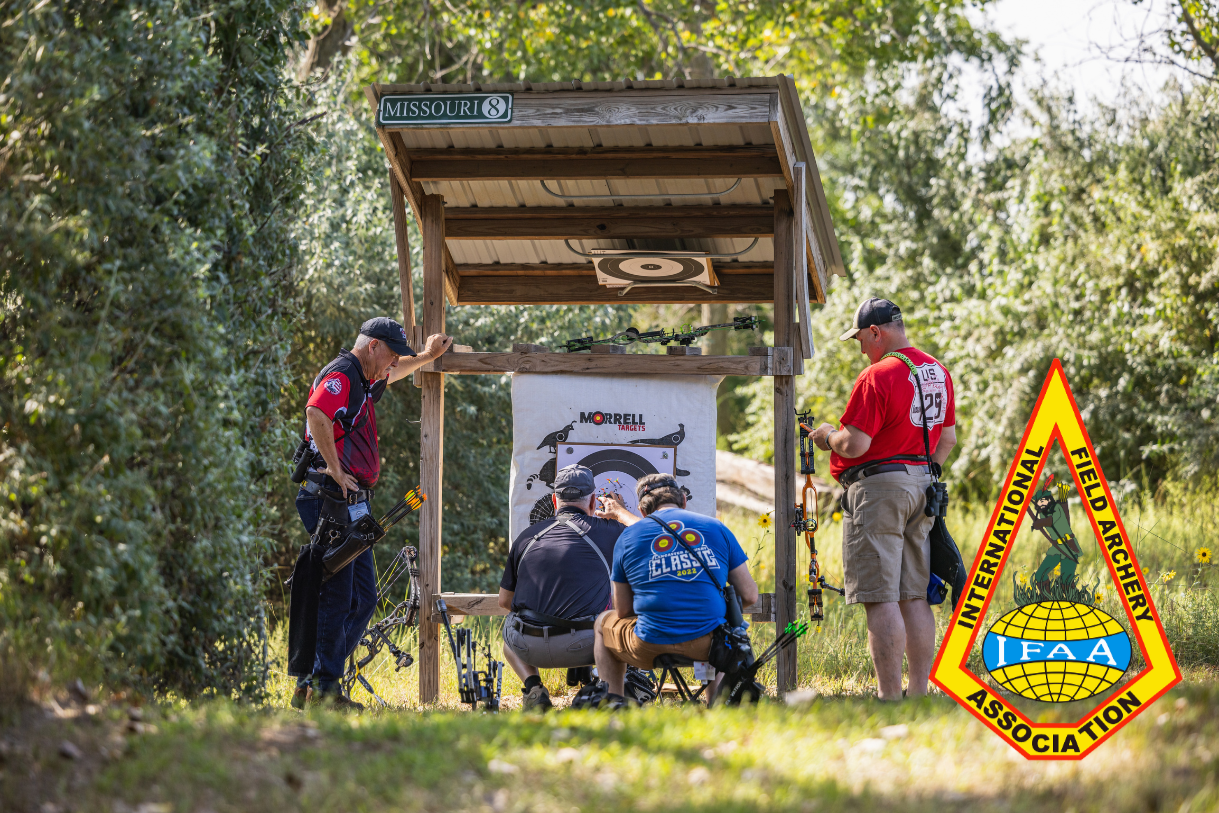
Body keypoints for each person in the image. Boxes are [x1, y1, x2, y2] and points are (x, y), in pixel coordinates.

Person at [292, 317, 452, 709]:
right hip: (330, 499)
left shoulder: (363, 379)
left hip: (350, 504)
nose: (393, 362)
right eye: (391, 353)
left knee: (363, 597)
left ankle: (314, 680)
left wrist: (427, 356)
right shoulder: (343, 374)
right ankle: (324, 690)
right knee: (338, 597)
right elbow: (316, 413)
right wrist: (334, 468)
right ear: (373, 346)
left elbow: (394, 373)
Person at [809, 297, 956, 700]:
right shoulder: (937, 371)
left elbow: (855, 444)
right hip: (922, 488)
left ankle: (889, 697)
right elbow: (947, 439)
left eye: (860, 339)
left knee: (880, 595)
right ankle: (919, 692)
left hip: (878, 491)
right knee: (914, 593)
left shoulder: (877, 375)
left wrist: (827, 436)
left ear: (875, 332)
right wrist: (921, 475)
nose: (861, 349)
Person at [593, 473, 759, 708]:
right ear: (683, 500)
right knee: (721, 627)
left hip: (648, 645)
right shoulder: (716, 527)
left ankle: (614, 705)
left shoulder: (627, 537)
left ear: (642, 510)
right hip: (708, 646)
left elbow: (623, 610)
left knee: (602, 623)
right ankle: (717, 706)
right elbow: (750, 595)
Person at [498, 464, 626, 711]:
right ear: (593, 502)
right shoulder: (612, 531)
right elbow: (650, 534)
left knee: (511, 623)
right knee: (617, 619)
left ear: (555, 501)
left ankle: (534, 688)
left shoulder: (526, 537)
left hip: (528, 646)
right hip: (588, 645)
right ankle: (606, 690)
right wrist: (620, 513)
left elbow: (504, 601)